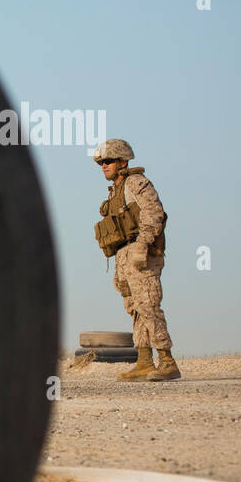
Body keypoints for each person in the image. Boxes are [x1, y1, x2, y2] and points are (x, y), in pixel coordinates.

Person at [92, 139, 180, 381]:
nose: (103, 166)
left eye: (107, 161)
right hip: (124, 254)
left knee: (148, 305)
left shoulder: (137, 183)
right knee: (135, 309)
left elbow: (154, 215)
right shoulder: (116, 190)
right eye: (101, 162)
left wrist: (142, 246)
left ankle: (167, 361)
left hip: (141, 252)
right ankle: (144, 361)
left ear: (123, 161)